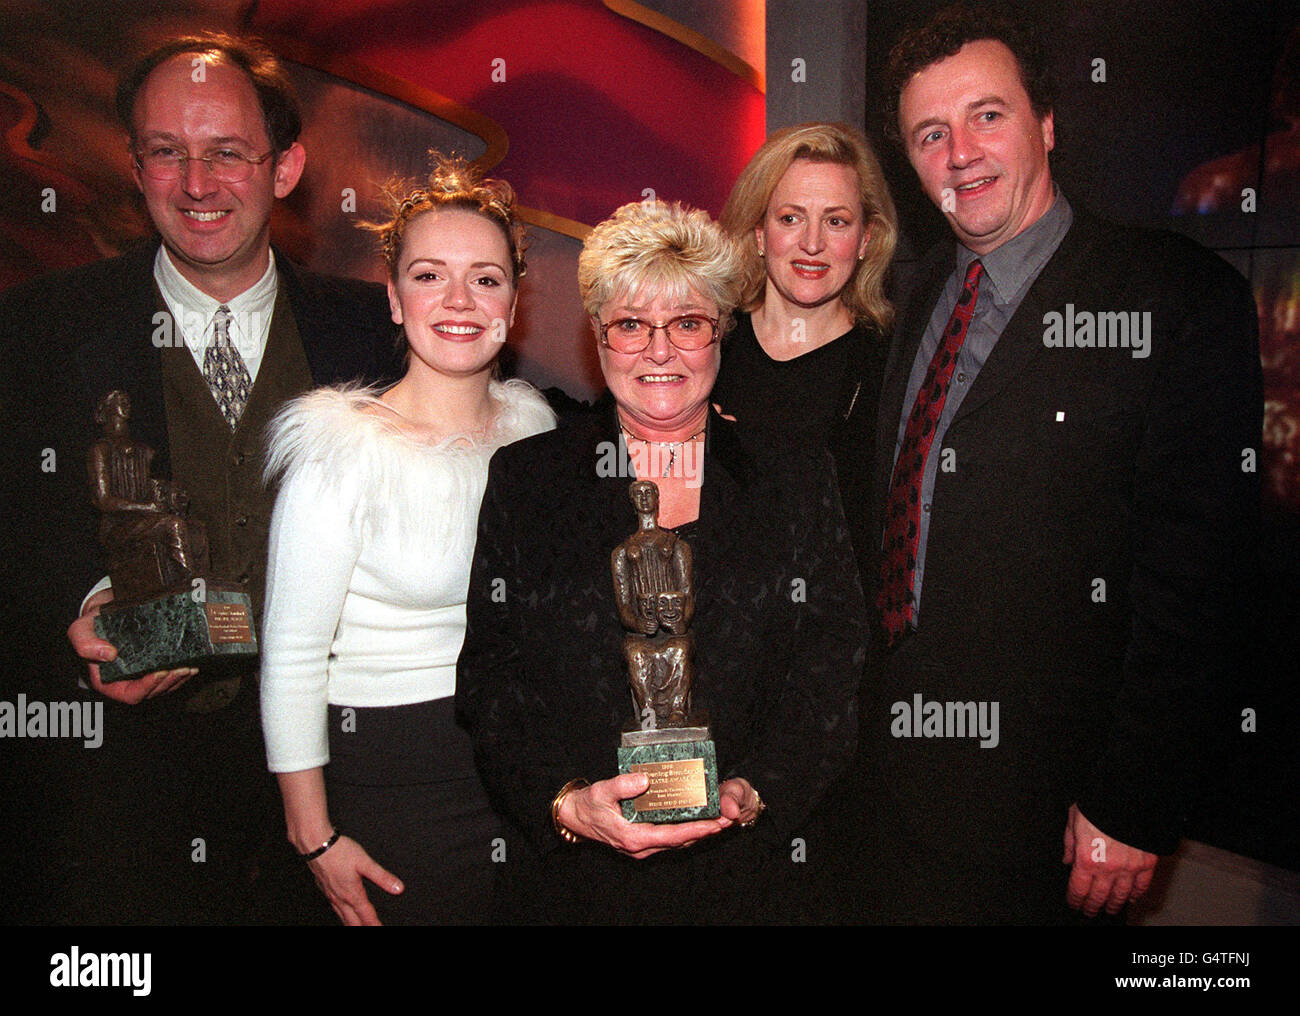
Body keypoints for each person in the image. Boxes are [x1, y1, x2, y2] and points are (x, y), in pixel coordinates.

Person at [845, 3, 1262, 924]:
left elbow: (1202, 583)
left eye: (987, 115)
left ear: (1047, 124)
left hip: (1053, 809)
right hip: (887, 786)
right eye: (930, 132)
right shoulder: (908, 298)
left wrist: (1134, 800)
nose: (960, 152)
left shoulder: (1175, 298)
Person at [0, 31, 398, 923]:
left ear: (286, 167)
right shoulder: (32, 331)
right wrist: (96, 602)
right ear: (136, 168)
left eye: (227, 153)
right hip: (118, 802)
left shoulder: (380, 333)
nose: (197, 183)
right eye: (166, 153)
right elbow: (16, 527)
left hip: (345, 783)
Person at [456, 199, 865, 924]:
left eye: (687, 323)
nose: (659, 351)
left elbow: (831, 666)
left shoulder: (796, 475)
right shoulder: (528, 481)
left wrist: (757, 791)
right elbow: (492, 677)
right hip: (578, 884)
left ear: (720, 334)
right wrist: (564, 802)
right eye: (631, 325)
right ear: (599, 338)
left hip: (750, 880)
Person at [258, 155, 555, 925]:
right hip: (395, 788)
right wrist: (316, 839)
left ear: (514, 303)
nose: (459, 300)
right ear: (393, 299)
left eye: (486, 279)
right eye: (429, 276)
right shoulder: (338, 449)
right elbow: (291, 654)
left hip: (527, 774)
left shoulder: (535, 429)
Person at [713, 122, 897, 580]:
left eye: (836, 221)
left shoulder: (892, 364)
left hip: (839, 636)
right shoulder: (704, 345)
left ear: (866, 240)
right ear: (759, 233)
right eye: (790, 218)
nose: (812, 244)